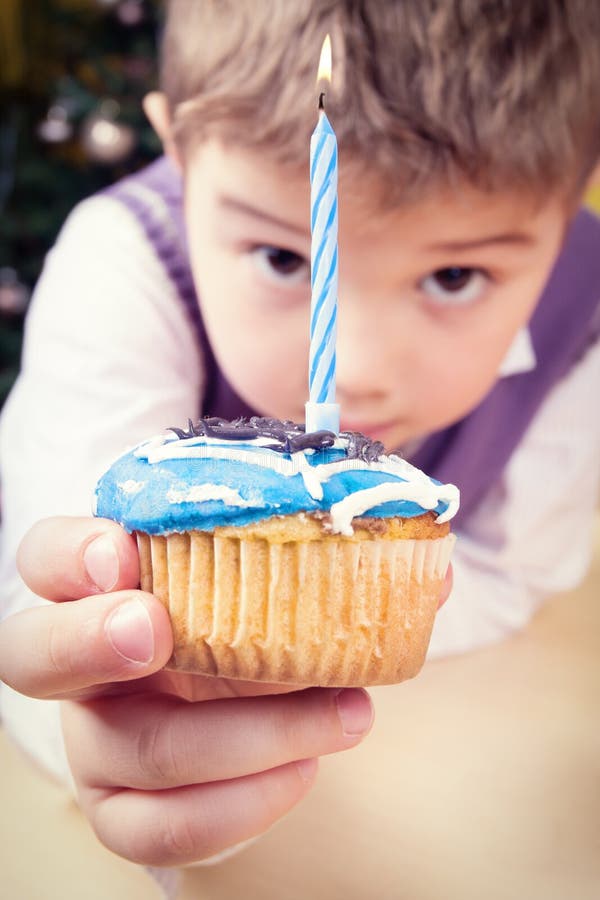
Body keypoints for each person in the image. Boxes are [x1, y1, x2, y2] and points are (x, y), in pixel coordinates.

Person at [1, 0, 599, 876]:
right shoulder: (123, 267)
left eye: (455, 274)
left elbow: (519, 567)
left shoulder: (585, 305)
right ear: (176, 151)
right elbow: (49, 615)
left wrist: (320, 641)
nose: (355, 369)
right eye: (284, 259)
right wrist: (126, 726)